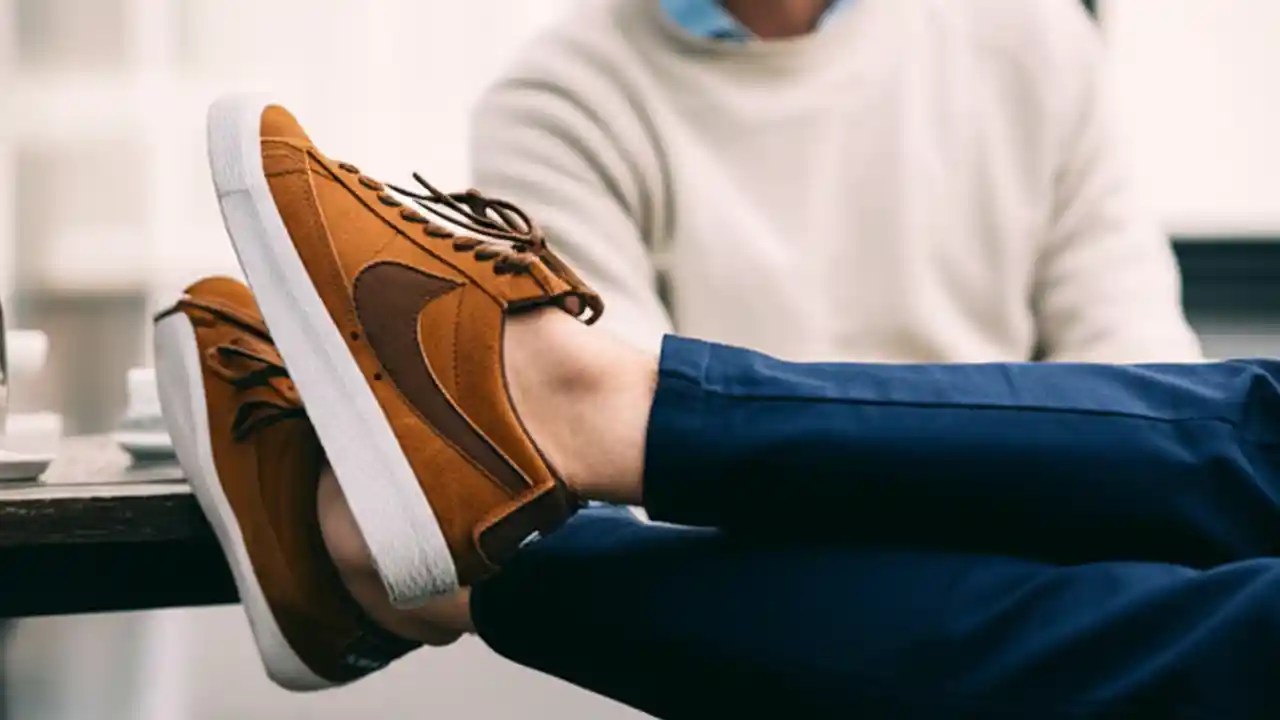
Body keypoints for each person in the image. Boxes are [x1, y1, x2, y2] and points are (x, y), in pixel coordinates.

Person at [157, 96, 1280, 718]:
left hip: (912, 499)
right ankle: (558, 431)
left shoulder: (1025, 45)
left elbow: (1125, 334)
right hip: (808, 494)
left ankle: (470, 538)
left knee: (1235, 632)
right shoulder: (571, 85)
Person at [471, 0, 1203, 364]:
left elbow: (1139, 371)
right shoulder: (555, 106)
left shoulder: (1031, 33)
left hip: (1034, 582)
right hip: (743, 611)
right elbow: (617, 446)